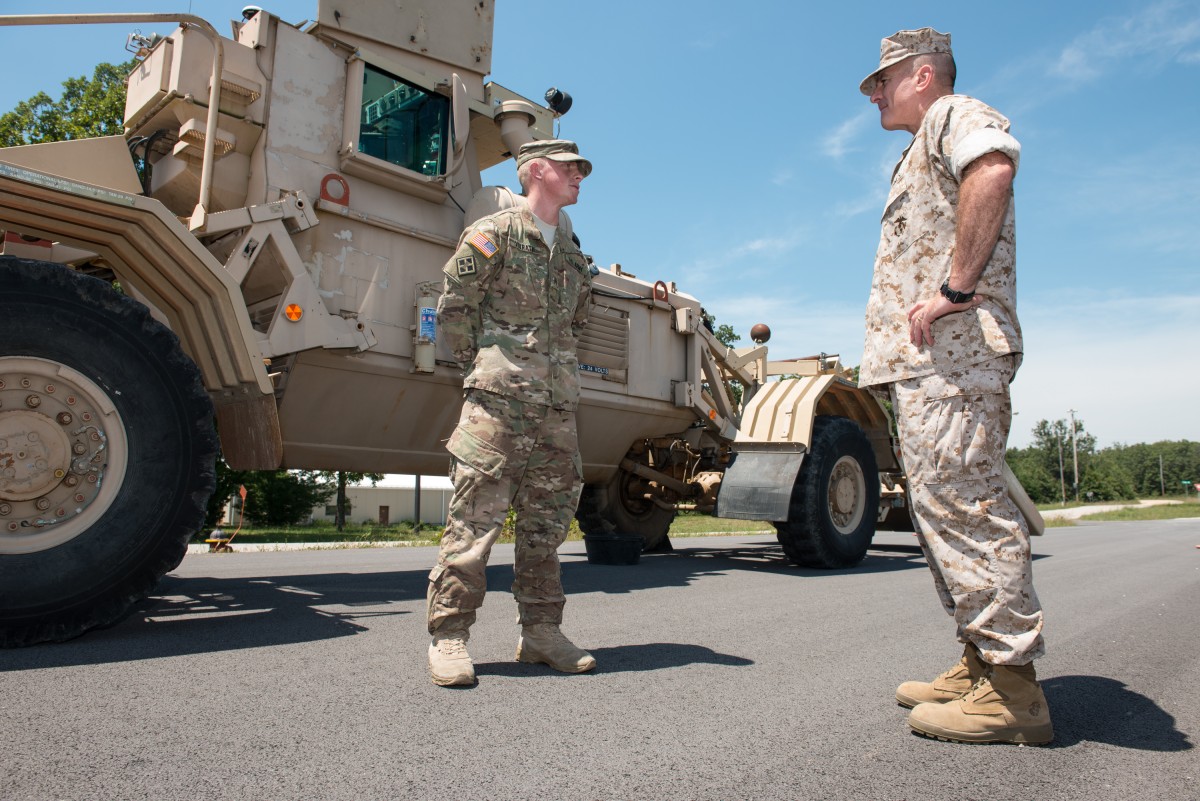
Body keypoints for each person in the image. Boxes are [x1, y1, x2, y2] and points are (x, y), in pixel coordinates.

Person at [858, 28, 1052, 744]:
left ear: (925, 75)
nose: (874, 92)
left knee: (968, 507)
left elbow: (994, 169)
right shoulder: (917, 148)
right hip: (929, 366)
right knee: (942, 512)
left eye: (884, 79)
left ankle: (1013, 692)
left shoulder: (954, 113)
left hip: (957, 357)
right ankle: (979, 660)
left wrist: (955, 288)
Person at [426, 139, 596, 687]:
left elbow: (579, 323)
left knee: (546, 529)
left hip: (556, 410)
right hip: (498, 407)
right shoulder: (492, 234)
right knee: (474, 522)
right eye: (570, 168)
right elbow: (454, 309)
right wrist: (488, 371)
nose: (579, 177)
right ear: (537, 170)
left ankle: (542, 633)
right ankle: (449, 637)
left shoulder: (573, 253)